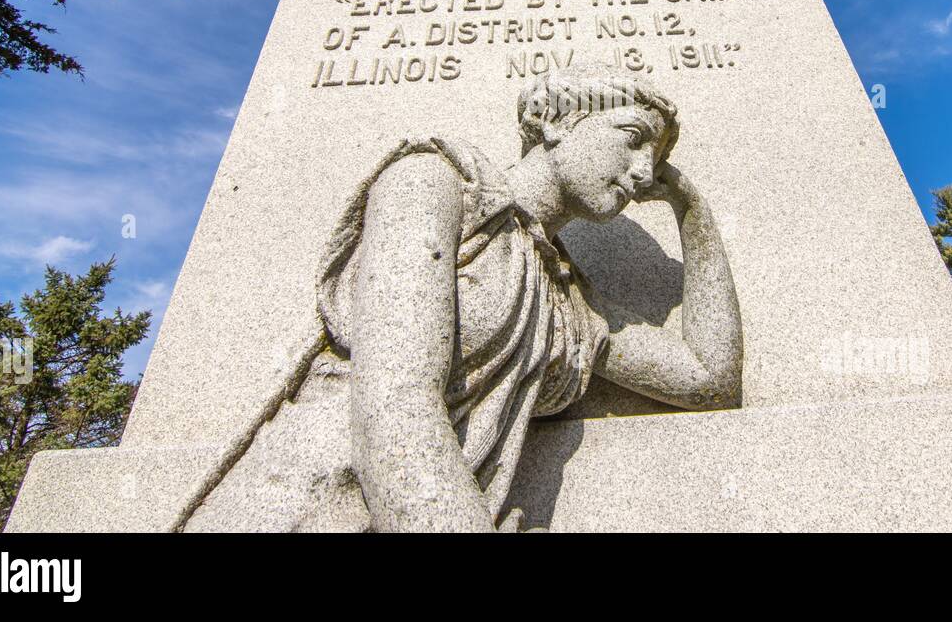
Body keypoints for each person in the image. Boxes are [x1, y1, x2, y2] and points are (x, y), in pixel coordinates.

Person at [317, 64, 742, 531]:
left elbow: (708, 379)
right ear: (559, 121)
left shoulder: (569, 304)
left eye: (655, 161)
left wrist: (691, 209)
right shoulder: (435, 184)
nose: (644, 173)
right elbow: (395, 406)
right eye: (633, 137)